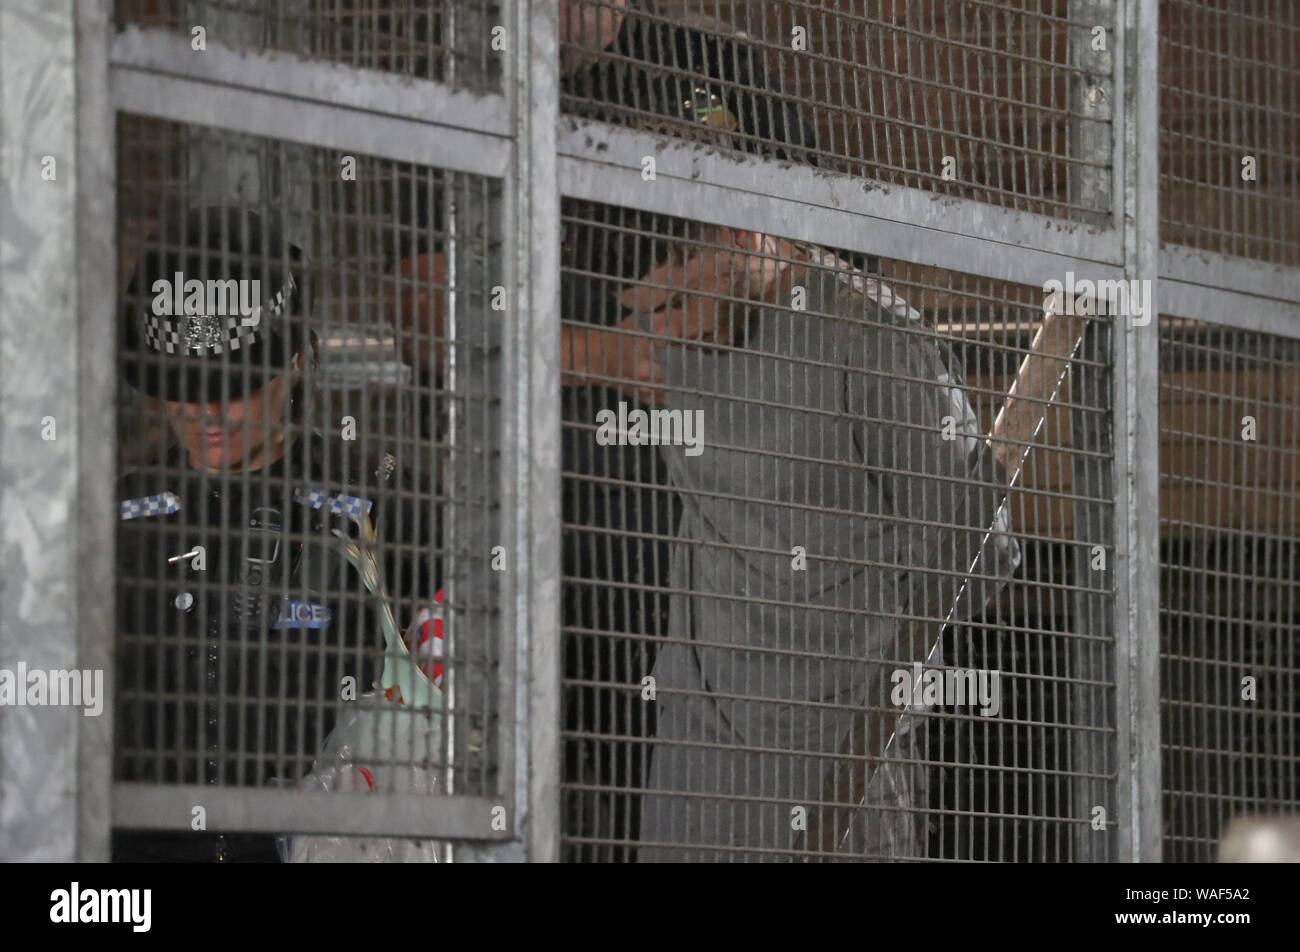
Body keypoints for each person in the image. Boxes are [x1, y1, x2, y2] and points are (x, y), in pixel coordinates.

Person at [554, 8, 1024, 860]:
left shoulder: (870, 340)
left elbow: (982, 562)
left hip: (839, 761)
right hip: (692, 758)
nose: (660, 339)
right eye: (641, 317)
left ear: (741, 234)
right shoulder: (681, 336)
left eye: (672, 304)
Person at [112, 206, 438, 862]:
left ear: (299, 356)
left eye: (232, 381)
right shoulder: (115, 518)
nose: (203, 408)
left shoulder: (386, 510)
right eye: (179, 380)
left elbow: (448, 715)